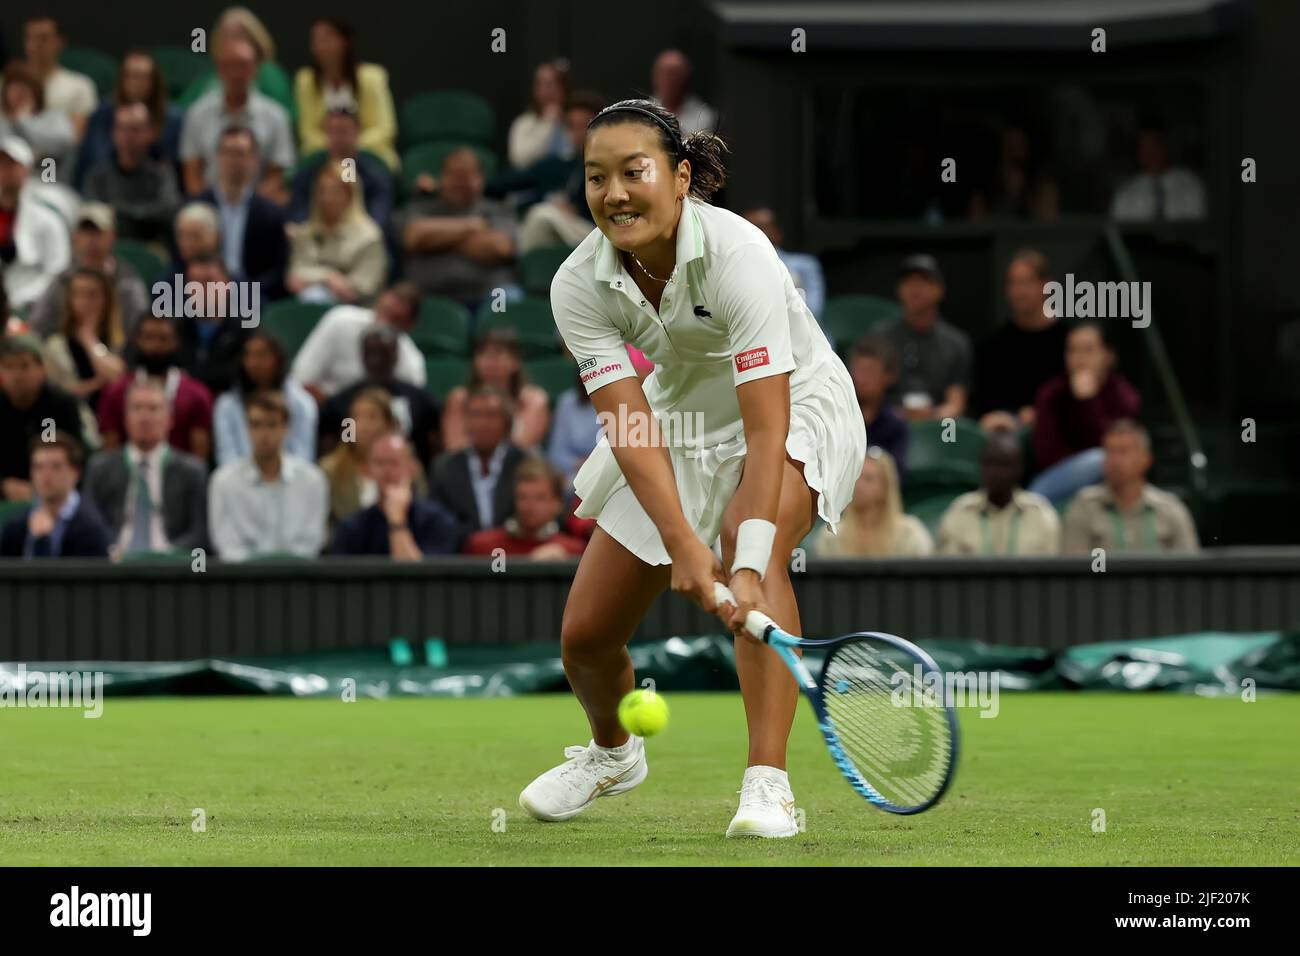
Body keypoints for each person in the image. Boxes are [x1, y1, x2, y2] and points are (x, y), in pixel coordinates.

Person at [518, 99, 866, 838]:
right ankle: (612, 754)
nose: (614, 193)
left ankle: (768, 784)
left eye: (633, 172)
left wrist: (740, 558)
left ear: (681, 178)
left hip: (797, 405)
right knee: (585, 636)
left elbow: (769, 423)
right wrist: (682, 542)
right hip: (676, 419)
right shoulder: (576, 285)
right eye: (596, 177)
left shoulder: (741, 253)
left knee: (756, 540)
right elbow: (629, 419)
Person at [82, 378, 209, 557]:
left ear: (169, 419)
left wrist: (168, 555)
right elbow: (89, 524)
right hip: (114, 566)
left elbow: (201, 533)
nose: (144, 417)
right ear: (125, 419)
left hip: (170, 566)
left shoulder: (192, 471)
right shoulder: (99, 467)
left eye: (153, 409)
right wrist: (109, 550)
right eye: (137, 408)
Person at [1030, 320, 1141, 505]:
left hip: (1111, 478)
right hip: (1057, 477)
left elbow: (1117, 450)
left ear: (1108, 355)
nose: (1079, 359)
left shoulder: (1124, 395)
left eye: (1088, 350)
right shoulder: (1052, 393)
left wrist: (1088, 403)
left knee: (1108, 458)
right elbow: (1045, 455)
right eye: (1073, 351)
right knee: (1098, 459)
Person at [209, 390, 328, 560]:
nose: (264, 434)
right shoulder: (223, 482)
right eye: (256, 425)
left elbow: (311, 543)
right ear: (247, 428)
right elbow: (227, 546)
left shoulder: (313, 480)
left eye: (272, 425)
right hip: (243, 581)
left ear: (286, 428)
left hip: (298, 580)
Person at [398, 148, 518, 309]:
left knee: (509, 297)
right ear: (442, 177)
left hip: (487, 294)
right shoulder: (422, 207)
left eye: (467, 176)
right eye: (454, 175)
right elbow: (413, 236)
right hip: (426, 295)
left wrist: (436, 239)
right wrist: (472, 226)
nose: (460, 182)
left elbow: (499, 247)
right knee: (396, 299)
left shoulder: (498, 209)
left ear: (481, 179)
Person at [179, 38, 295, 199]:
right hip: (209, 207)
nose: (237, 74)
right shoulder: (197, 113)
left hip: (258, 206)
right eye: (230, 66)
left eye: (243, 66)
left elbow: (276, 176)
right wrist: (207, 205)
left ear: (255, 69)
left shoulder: (277, 116)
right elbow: (192, 173)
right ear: (219, 70)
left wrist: (248, 210)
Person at [1062, 420, 1198, 554]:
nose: (1115, 461)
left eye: (1123, 452)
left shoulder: (1170, 510)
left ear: (1145, 459)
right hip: (1102, 575)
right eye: (1110, 452)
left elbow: (1189, 570)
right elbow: (1076, 569)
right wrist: (1102, 570)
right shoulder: (1084, 507)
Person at [973, 249, 1066, 433]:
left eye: (1026, 282)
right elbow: (986, 404)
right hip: (1007, 435)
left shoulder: (1069, 341)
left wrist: (1041, 413)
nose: (1019, 291)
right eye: (1013, 283)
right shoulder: (993, 346)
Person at [317, 324, 439, 464]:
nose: (377, 361)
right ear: (362, 355)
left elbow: (432, 443)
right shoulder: (343, 403)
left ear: (395, 355)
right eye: (372, 353)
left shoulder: (419, 400)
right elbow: (346, 441)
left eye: (384, 354)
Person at [96, 315, 214, 459]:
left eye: (163, 339)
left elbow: (199, 458)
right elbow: (110, 453)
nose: (156, 346)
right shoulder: (115, 392)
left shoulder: (197, 395)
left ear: (176, 342)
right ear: (137, 341)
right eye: (149, 337)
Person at [28, 202, 149, 338]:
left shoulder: (127, 281)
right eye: (86, 232)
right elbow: (39, 326)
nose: (91, 240)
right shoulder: (62, 281)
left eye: (98, 233)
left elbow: (139, 328)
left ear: (112, 236)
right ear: (75, 237)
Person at [289, 282, 425, 403]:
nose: (383, 323)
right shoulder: (340, 321)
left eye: (395, 319)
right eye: (383, 311)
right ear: (378, 302)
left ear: (409, 325)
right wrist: (336, 412)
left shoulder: (412, 363)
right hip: (326, 415)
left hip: (375, 424)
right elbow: (301, 380)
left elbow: (411, 408)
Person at [331, 432, 460, 558]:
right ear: (368, 470)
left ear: (413, 468)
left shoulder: (438, 521)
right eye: (379, 463)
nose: (387, 470)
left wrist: (397, 521)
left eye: (394, 462)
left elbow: (420, 577)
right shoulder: (352, 529)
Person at [195, 125, 289, 297]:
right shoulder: (196, 208)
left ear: (253, 160)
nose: (234, 161)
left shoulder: (272, 215)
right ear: (217, 157)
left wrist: (241, 291)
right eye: (228, 153)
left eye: (240, 154)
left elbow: (278, 273)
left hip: (252, 296)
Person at [318, 386, 427, 532]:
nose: (363, 426)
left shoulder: (407, 465)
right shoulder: (329, 469)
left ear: (388, 424)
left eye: (372, 417)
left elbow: (423, 509)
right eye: (356, 417)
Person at [294, 18, 398, 171]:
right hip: (323, 159)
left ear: (344, 42)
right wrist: (335, 148)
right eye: (315, 40)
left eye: (326, 39)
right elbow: (308, 133)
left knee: (354, 175)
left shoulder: (373, 77)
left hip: (367, 156)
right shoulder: (305, 81)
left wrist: (349, 147)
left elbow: (385, 129)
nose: (319, 46)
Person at [879, 254, 972, 421]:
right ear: (899, 290)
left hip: (938, 424)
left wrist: (930, 417)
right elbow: (867, 397)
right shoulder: (880, 338)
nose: (915, 289)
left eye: (923, 282)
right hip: (888, 424)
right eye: (908, 282)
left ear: (939, 290)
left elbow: (956, 403)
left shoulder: (956, 343)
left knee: (951, 432)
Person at [936, 430, 1059, 555]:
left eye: (1004, 464)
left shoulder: (1041, 514)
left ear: (1019, 468)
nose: (996, 472)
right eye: (990, 463)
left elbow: (1052, 570)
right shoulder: (959, 512)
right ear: (981, 466)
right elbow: (948, 571)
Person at [75, 50, 184, 191]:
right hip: (109, 188)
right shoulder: (102, 114)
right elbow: (93, 160)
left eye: (143, 77)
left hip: (155, 189)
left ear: (154, 81)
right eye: (131, 76)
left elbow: (174, 167)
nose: (136, 83)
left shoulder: (172, 118)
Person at [42, 267, 127, 445]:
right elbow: (62, 393)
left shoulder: (120, 341)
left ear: (106, 300)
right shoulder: (56, 345)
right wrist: (98, 382)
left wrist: (88, 338)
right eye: (77, 294)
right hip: (72, 426)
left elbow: (116, 378)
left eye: (92, 295)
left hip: (115, 424)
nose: (83, 302)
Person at [285, 160, 386, 305]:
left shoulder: (370, 236)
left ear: (350, 196)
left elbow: (363, 288)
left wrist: (315, 279)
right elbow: (294, 277)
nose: (326, 198)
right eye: (322, 191)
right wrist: (329, 277)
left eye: (335, 191)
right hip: (306, 307)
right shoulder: (306, 233)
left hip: (356, 311)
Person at [430, 385, 527, 534]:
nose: (482, 424)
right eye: (475, 415)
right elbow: (437, 520)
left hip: (513, 550)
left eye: (491, 415)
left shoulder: (526, 463)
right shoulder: (444, 468)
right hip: (461, 553)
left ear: (507, 422)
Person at [82, 101, 182, 244]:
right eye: (122, 129)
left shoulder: (162, 174)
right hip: (107, 247)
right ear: (114, 133)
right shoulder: (97, 175)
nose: (128, 136)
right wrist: (141, 214)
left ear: (150, 133)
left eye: (135, 129)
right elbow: (92, 213)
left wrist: (117, 210)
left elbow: (168, 210)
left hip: (152, 246)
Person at [516, 91, 604, 253]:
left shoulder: (609, 166)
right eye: (572, 126)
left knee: (541, 215)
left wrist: (575, 212)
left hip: (598, 233)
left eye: (584, 126)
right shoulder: (556, 165)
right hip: (562, 226)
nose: (578, 134)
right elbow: (510, 182)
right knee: (539, 220)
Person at [175, 7, 297, 122]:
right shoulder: (207, 76)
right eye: (225, 36)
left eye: (238, 36)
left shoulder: (269, 74)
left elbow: (283, 118)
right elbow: (182, 113)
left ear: (255, 40)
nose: (231, 43)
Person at [0, 334, 83, 502]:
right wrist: (3, 484)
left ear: (41, 369)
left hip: (53, 492)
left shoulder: (60, 406)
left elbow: (71, 457)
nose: (17, 376)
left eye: (24, 366)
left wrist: (41, 485)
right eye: (8, 367)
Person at [214, 331, 316, 467]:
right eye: (248, 355)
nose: (253, 363)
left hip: (291, 482)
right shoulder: (226, 405)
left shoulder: (302, 403)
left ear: (277, 359)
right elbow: (227, 458)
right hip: (239, 483)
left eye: (261, 355)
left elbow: (303, 456)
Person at [440, 328, 550, 453]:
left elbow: (522, 445)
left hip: (518, 467)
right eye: (483, 353)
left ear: (515, 361)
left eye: (497, 353)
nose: (489, 361)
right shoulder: (459, 398)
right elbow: (455, 447)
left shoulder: (533, 399)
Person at [0, 436, 111, 558]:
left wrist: (42, 543)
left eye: (56, 467)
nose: (46, 475)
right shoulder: (16, 527)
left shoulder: (92, 528)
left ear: (75, 473)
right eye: (39, 467)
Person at [808, 449, 930, 557]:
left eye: (868, 479)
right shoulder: (831, 536)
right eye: (855, 478)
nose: (859, 485)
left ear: (885, 487)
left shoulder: (909, 534)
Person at [287, 106, 393, 226]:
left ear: (358, 132)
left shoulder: (375, 172)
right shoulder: (309, 170)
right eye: (331, 131)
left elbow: (379, 216)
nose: (336, 138)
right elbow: (299, 214)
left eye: (342, 131)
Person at [464, 458, 588, 558]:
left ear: (558, 504)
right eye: (523, 497)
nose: (529, 506)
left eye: (539, 498)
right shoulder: (483, 546)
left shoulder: (573, 552)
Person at [0, 135, 70, 311]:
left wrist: (22, 298)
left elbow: (57, 271)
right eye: (1, 163)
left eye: (12, 164)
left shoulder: (48, 218)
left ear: (26, 169)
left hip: (33, 306)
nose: (5, 170)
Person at [173, 254, 250, 396]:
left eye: (208, 282)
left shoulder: (246, 331)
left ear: (227, 285)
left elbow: (240, 376)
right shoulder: (173, 329)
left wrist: (189, 376)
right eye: (194, 283)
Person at [10, 15, 95, 138]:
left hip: (55, 155)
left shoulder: (80, 85)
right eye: (30, 38)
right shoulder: (5, 84)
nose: (35, 45)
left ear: (60, 42)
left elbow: (74, 138)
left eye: (43, 38)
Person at [742, 207, 826, 324]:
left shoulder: (804, 264)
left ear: (777, 233)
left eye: (759, 227)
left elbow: (814, 310)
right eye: (744, 229)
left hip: (803, 336)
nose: (750, 233)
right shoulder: (738, 269)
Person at [1110, 121, 1205, 222]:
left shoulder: (1190, 185)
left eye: (1154, 146)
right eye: (1144, 149)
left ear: (1165, 147)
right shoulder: (1126, 193)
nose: (1150, 154)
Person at [847, 336, 909, 483]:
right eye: (858, 370)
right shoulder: (839, 418)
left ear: (888, 376)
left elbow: (896, 475)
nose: (861, 379)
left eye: (869, 371)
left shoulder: (895, 426)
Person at [0, 61, 76, 172]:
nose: (19, 93)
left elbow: (64, 144)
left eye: (25, 87)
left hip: (48, 180)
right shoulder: (2, 122)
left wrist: (24, 121)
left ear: (37, 92)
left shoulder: (54, 119)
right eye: (13, 87)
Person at [547, 362, 602, 494]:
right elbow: (556, 453)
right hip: (571, 473)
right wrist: (577, 464)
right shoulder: (566, 402)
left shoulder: (614, 402)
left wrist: (592, 464)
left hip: (602, 471)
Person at [508, 60, 573, 170]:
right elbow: (519, 160)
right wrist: (548, 123)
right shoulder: (523, 123)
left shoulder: (576, 121)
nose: (548, 91)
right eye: (541, 84)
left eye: (553, 84)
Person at [649, 50, 716, 136]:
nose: (667, 80)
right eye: (662, 72)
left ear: (686, 79)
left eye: (673, 74)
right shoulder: (640, 115)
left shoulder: (705, 118)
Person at [162, 202, 221, 281]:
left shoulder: (236, 284)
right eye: (181, 235)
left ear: (215, 237)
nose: (187, 243)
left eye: (195, 236)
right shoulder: (167, 284)